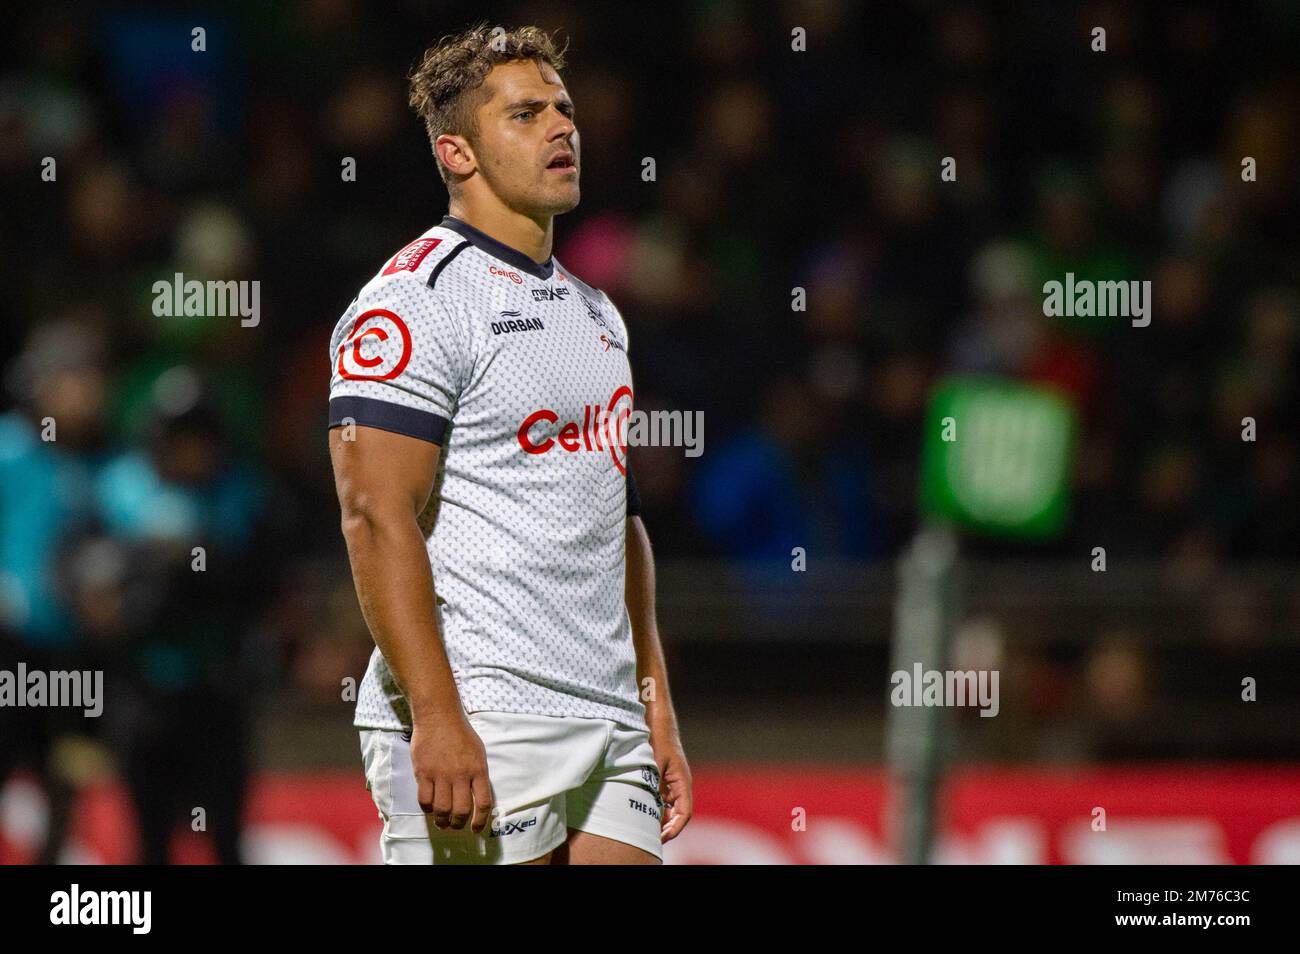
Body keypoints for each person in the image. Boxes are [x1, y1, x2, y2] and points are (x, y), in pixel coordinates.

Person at [327, 23, 691, 865]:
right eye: (526, 115)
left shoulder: (599, 313)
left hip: (608, 714)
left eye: (564, 109)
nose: (562, 127)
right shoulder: (414, 300)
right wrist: (436, 714)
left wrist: (654, 700)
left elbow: (619, 520)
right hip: (484, 705)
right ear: (456, 153)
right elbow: (375, 512)